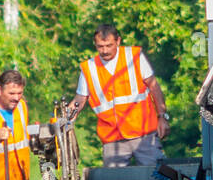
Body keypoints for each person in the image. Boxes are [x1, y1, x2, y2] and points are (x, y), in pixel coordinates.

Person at [68, 24, 170, 168]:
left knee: (156, 179)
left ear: (118, 41)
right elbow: (80, 99)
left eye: (109, 45)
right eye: (100, 46)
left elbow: (154, 86)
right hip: (112, 139)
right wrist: (66, 118)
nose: (104, 51)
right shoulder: (89, 68)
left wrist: (162, 116)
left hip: (143, 135)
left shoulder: (134, 57)